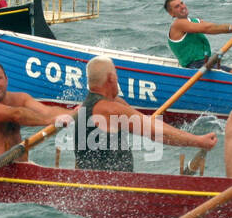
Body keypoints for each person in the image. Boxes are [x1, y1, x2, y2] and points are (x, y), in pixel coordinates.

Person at [74, 55, 217, 171]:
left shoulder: (89, 105)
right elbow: (155, 133)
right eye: (116, 75)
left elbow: (145, 122)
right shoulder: (107, 109)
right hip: (110, 187)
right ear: (111, 78)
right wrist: (198, 141)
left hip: (98, 182)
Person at [0, 62, 73, 161]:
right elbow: (16, 114)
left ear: (6, 79)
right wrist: (50, 121)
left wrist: (76, 112)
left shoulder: (20, 98)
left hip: (20, 170)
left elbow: (46, 111)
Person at [164, 0, 232, 69]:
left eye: (182, 3)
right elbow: (207, 28)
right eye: (177, 6)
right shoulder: (178, 24)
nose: (182, 7)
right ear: (171, 13)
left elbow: (214, 27)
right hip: (194, 66)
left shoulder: (195, 21)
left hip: (206, 63)